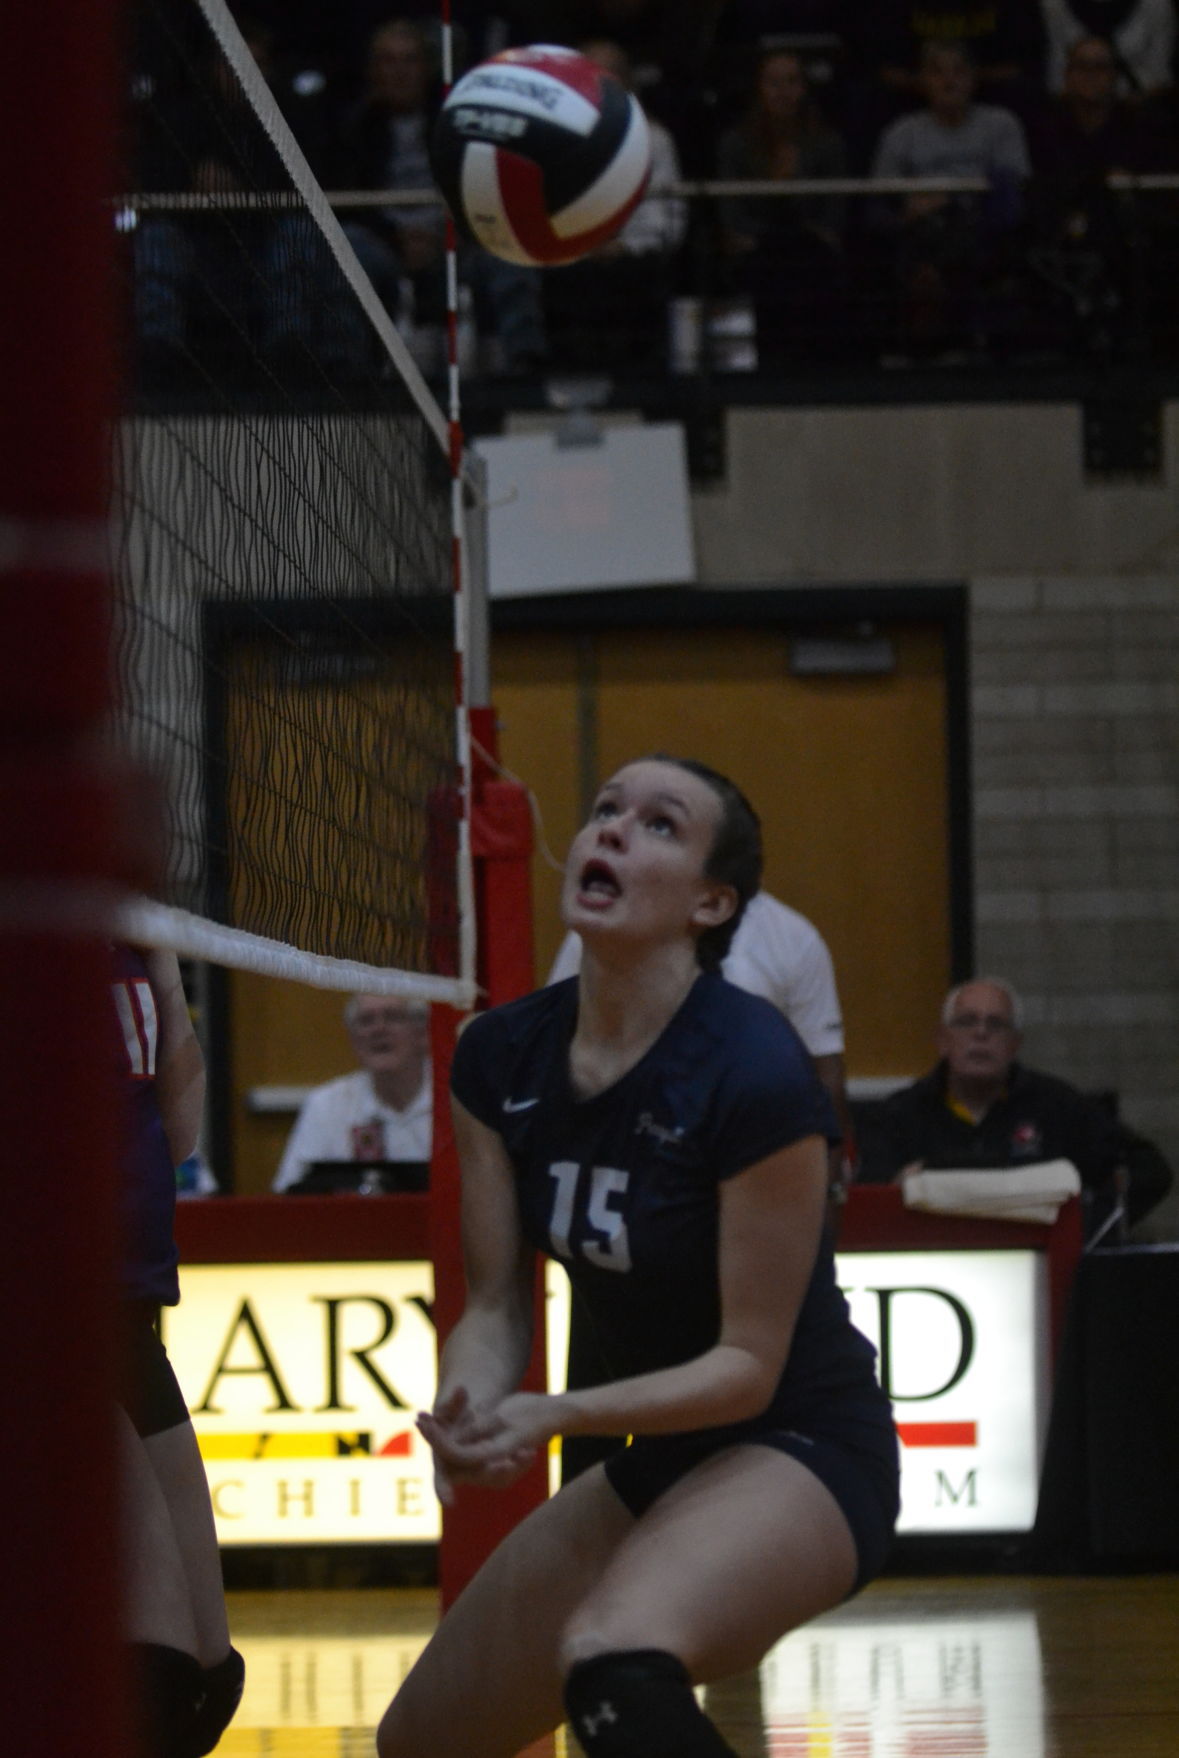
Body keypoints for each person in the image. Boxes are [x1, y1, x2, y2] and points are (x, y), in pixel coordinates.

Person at [375, 754, 899, 1758]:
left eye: (660, 824)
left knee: (612, 1655)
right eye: (606, 809)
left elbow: (748, 1369)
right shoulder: (500, 1055)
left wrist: (559, 1411)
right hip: (662, 1457)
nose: (612, 829)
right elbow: (494, 1305)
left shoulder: (753, 1070)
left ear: (712, 901)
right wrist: (470, 1400)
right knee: (421, 1743)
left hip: (801, 1448)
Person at [112, 943, 243, 1757]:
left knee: (207, 1677)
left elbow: (181, 1131)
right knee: (153, 1674)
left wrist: (162, 962)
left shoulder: (118, 935)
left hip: (125, 1306)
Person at [854, 975, 1173, 1237]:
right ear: (942, 1040)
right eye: (966, 1022)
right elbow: (865, 1196)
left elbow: (1150, 1171)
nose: (981, 1034)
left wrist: (1085, 1227)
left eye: (996, 1025)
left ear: (1015, 1044)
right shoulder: (898, 1115)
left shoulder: (1058, 1105)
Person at [338, 16, 548, 376]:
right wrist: (396, 239)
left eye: (410, 60)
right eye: (389, 61)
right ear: (373, 70)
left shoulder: (460, 122)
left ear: (428, 67)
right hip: (383, 245)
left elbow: (482, 189)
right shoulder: (353, 126)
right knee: (344, 246)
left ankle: (525, 367)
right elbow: (347, 201)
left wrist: (448, 235)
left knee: (509, 248)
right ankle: (347, 372)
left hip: (454, 242)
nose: (399, 72)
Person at [869, 39, 1031, 358]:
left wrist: (948, 199)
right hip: (920, 234)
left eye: (959, 71)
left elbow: (1014, 192)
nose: (949, 81)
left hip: (981, 231)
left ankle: (961, 339)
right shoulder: (901, 133)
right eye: (938, 72)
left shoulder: (1001, 124)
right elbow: (877, 201)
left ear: (974, 78)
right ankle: (929, 348)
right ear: (922, 81)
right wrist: (908, 211)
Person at [542, 38, 689, 373]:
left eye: (609, 75)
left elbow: (668, 218)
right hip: (572, 257)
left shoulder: (656, 140)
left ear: (627, 83)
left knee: (630, 278)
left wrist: (623, 245)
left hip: (633, 259)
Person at [1026, 33, 1161, 354]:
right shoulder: (1045, 126)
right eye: (1082, 67)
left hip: (1125, 243)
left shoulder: (1138, 126)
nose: (1091, 76)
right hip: (1059, 240)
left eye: (1101, 67)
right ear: (1067, 75)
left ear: (1115, 76)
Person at [715, 47, 852, 363]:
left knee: (807, 261)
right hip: (757, 254)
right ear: (759, 88)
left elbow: (832, 218)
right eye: (773, 82)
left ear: (804, 89)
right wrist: (775, 189)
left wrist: (790, 187)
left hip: (810, 251)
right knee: (768, 264)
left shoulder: (827, 143)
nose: (783, 92)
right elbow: (734, 221)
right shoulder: (735, 144)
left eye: (792, 82)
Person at [272, 993, 431, 1191]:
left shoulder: (457, 1096)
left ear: (422, 1033)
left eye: (392, 1017)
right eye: (366, 1021)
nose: (378, 1029)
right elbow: (289, 1192)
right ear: (354, 1039)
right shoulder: (326, 1104)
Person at [1039, 0, 1176, 100]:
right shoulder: (1054, 6)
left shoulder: (1156, 5)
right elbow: (1056, 71)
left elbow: (1159, 72)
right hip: (1075, 110)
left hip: (1138, 105)